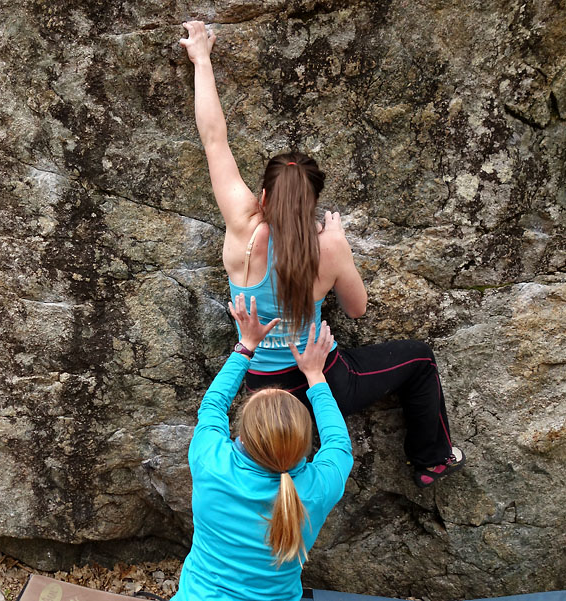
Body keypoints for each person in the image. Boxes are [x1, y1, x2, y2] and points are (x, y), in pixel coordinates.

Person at [180, 20, 463, 487]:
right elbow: (356, 308)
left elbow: (215, 139)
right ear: (312, 204)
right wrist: (340, 246)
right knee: (419, 359)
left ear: (264, 198)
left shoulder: (241, 228)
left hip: (262, 393)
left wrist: (202, 59)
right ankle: (432, 460)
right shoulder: (327, 247)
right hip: (320, 379)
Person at [172, 292, 352, 601]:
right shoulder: (315, 489)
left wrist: (246, 346)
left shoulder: (211, 463)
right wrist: (314, 374)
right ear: (305, 444)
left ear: (242, 435)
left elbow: (212, 407)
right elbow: (338, 443)